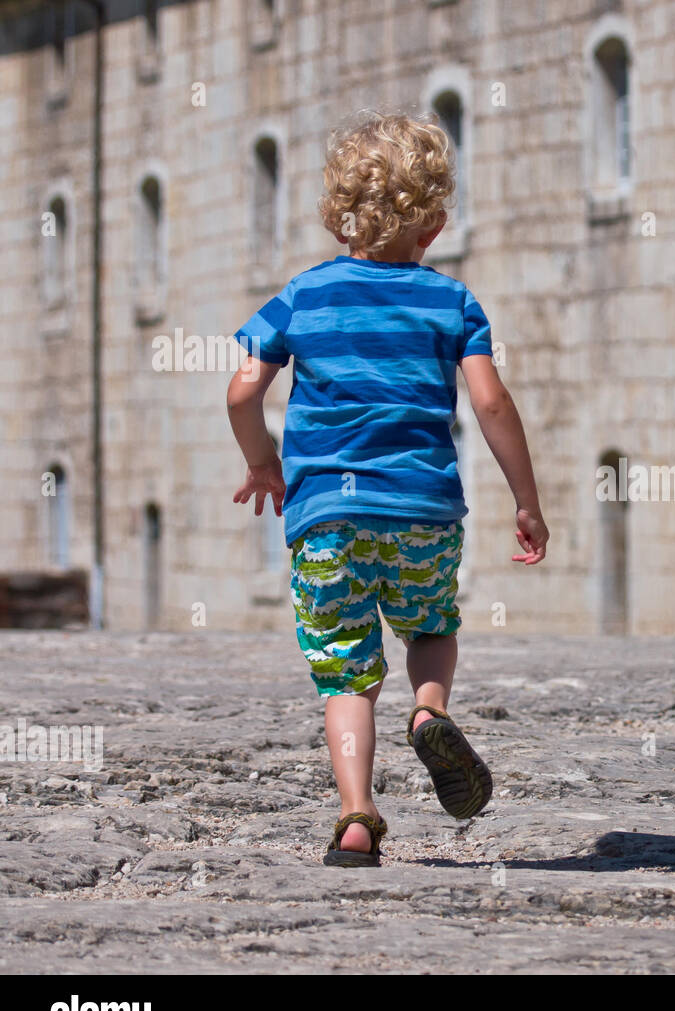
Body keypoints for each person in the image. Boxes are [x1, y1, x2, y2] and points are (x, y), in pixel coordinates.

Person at [226, 111, 548, 867]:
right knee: (430, 627)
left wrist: (263, 462)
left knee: (345, 668)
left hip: (324, 520)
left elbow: (243, 388)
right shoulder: (452, 303)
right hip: (423, 509)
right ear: (431, 226)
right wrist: (525, 500)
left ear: (338, 217)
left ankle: (356, 818)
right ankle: (429, 710)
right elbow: (491, 402)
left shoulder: (303, 296)